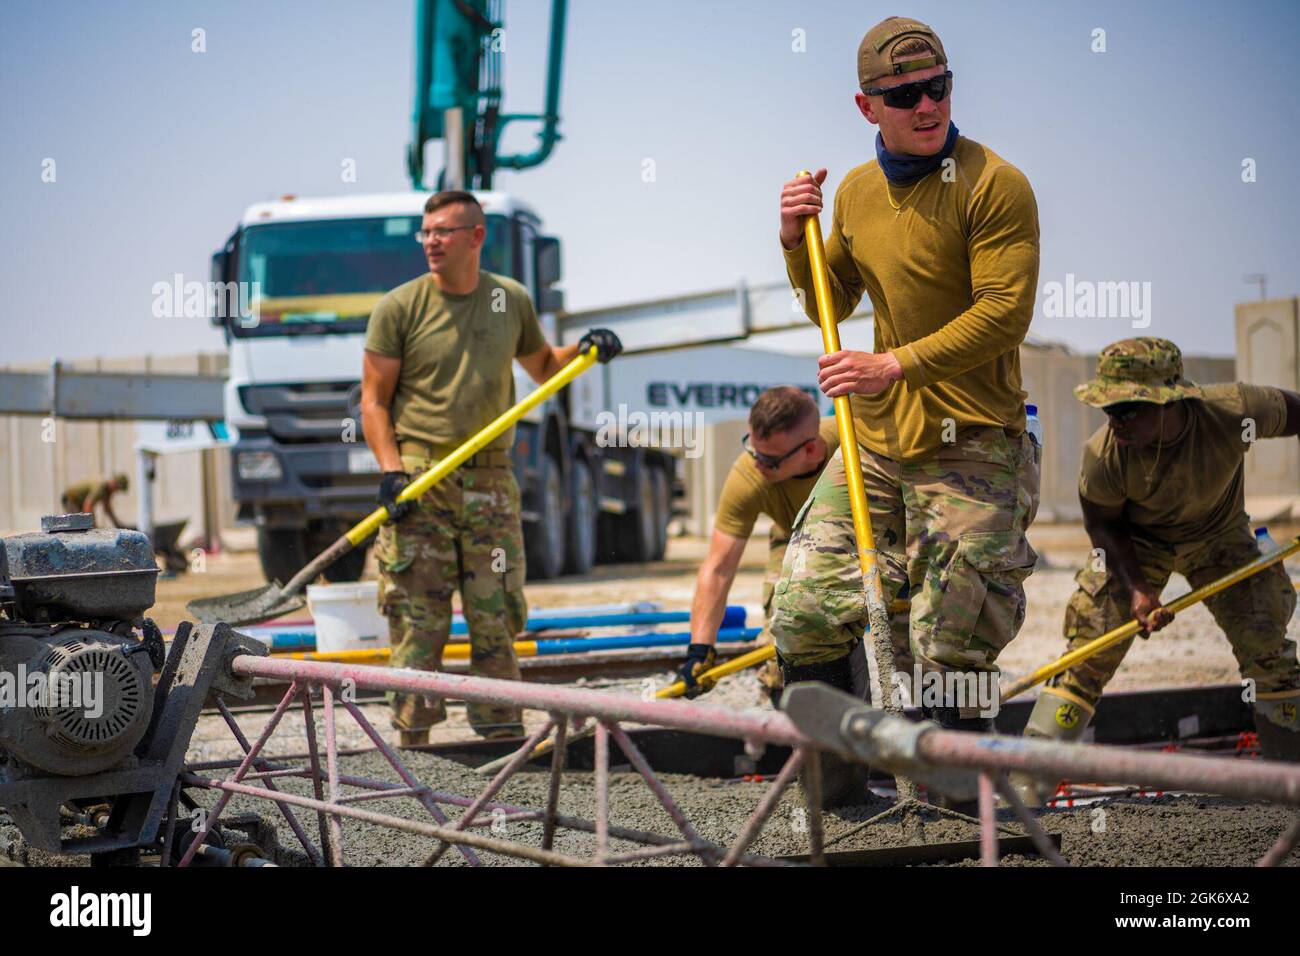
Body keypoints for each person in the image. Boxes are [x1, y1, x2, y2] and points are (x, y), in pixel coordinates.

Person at [771, 16, 1041, 741]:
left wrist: (894, 364)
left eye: (939, 88)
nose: (927, 106)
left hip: (973, 448)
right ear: (868, 108)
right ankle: (840, 808)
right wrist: (796, 241)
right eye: (906, 95)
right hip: (881, 447)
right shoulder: (858, 192)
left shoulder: (995, 185)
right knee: (804, 612)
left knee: (950, 646)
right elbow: (829, 296)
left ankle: (970, 820)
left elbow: (1004, 313)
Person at [361, 189, 621, 743]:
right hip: (421, 479)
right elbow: (374, 401)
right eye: (425, 232)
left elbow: (544, 368)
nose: (431, 242)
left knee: (496, 611)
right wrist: (390, 471)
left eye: (443, 232)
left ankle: (502, 740)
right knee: (416, 621)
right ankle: (415, 747)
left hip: (490, 482)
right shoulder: (398, 307)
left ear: (476, 237)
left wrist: (585, 349)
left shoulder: (509, 300)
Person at [1013, 338, 1300, 803]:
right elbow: (1102, 524)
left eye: (1129, 410)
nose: (1116, 422)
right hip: (1137, 544)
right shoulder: (1103, 454)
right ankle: (1026, 796)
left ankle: (1291, 785)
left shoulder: (1235, 412)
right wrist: (1139, 590)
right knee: (1085, 656)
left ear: (1170, 400)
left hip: (1220, 536)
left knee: (1269, 650)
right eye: (1109, 410)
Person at [677, 387, 846, 703]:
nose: (756, 464)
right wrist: (700, 649)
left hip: (869, 534)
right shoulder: (749, 473)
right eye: (753, 450)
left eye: (769, 460)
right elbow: (719, 567)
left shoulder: (853, 442)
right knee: (785, 635)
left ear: (810, 451)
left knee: (917, 638)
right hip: (795, 535)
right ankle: (799, 734)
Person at [61, 473, 129, 527]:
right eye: (117, 489)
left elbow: (107, 509)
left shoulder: (107, 493)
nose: (115, 492)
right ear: (114, 484)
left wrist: (117, 524)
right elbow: (88, 505)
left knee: (82, 524)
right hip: (71, 499)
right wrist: (93, 526)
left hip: (79, 502)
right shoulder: (101, 488)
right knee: (78, 524)